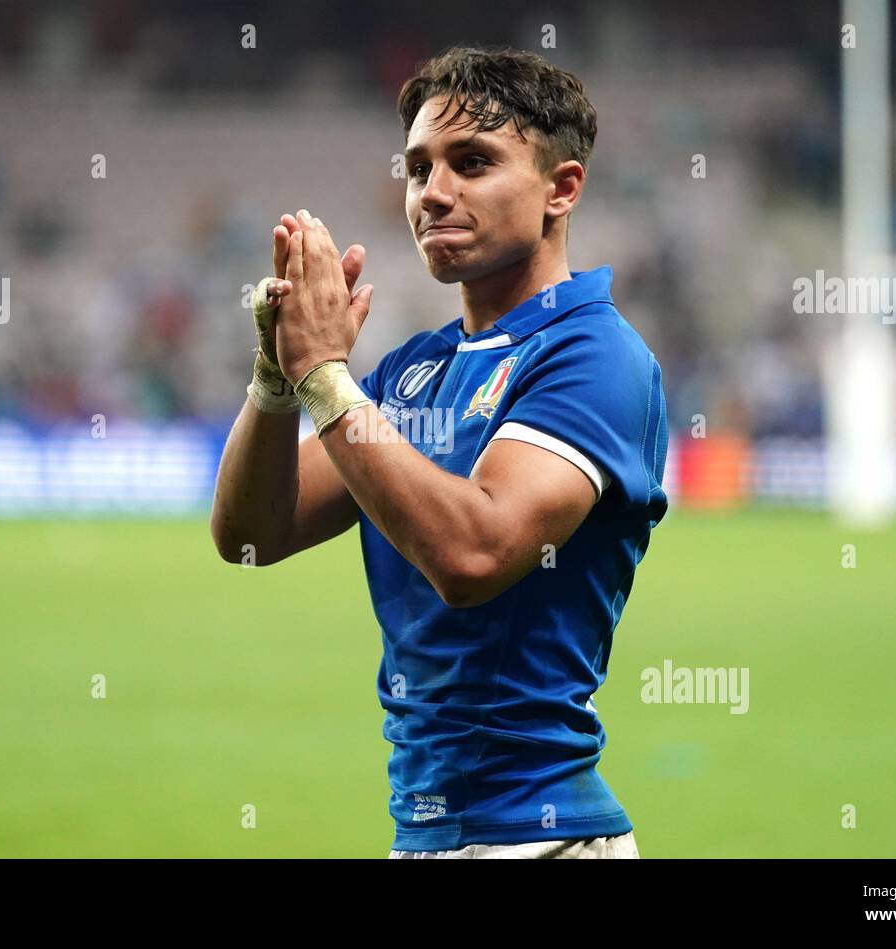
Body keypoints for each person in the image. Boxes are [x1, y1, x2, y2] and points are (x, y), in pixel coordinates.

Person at [210, 45, 668, 859]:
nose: (434, 193)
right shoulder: (414, 370)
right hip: (423, 834)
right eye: (419, 168)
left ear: (561, 189)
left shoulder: (594, 354)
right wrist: (279, 384)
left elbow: (473, 552)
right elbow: (252, 534)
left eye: (474, 162)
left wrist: (326, 378)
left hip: (540, 836)